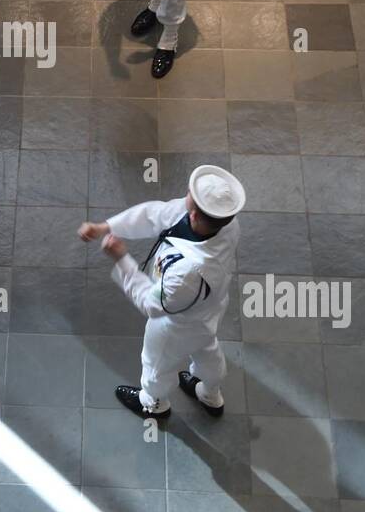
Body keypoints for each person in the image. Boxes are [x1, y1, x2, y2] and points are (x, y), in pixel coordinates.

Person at [78, 166, 246, 418]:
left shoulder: (188, 273)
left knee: (156, 364)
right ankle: (210, 394)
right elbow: (153, 215)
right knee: (207, 347)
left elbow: (152, 305)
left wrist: (122, 259)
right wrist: (106, 226)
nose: (186, 191)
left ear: (194, 213)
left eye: (190, 192)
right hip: (210, 311)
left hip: (177, 325)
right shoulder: (226, 225)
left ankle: (153, 403)